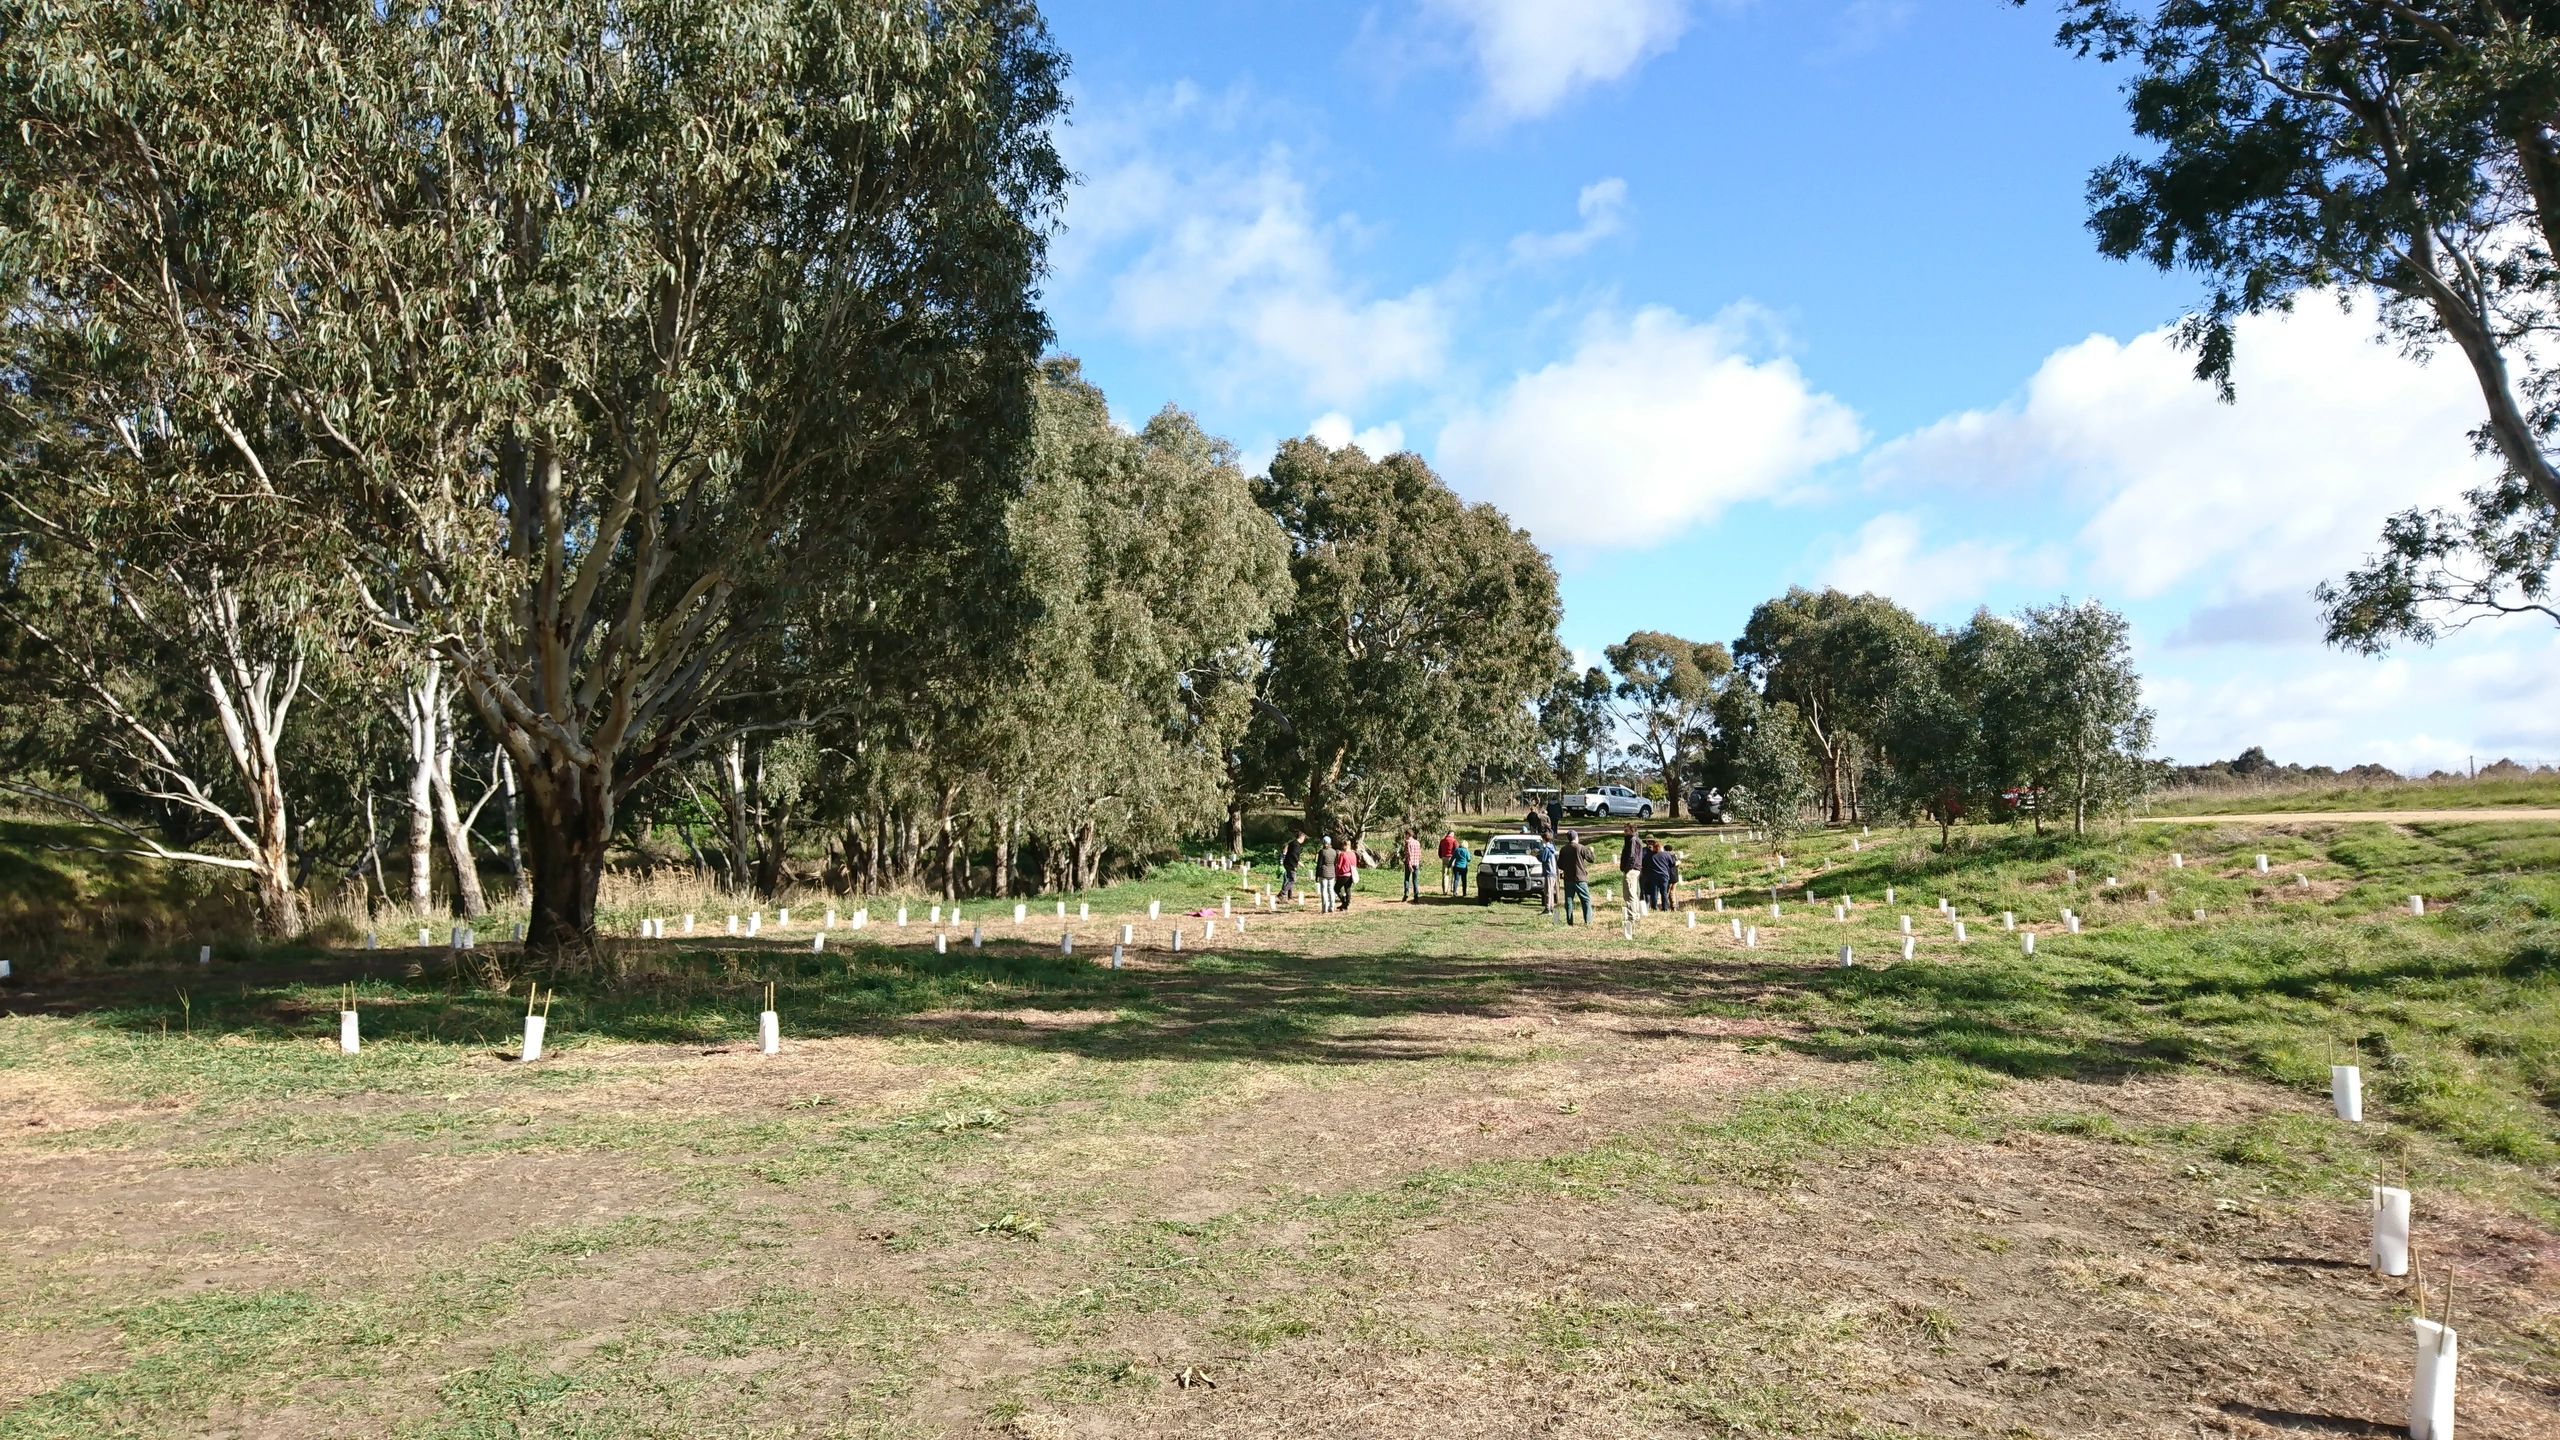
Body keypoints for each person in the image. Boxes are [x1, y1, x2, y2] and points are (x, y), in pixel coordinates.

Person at [1557, 828, 1592, 925]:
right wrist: (1591, 851)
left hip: (1568, 878)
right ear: (1576, 837)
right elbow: (1591, 859)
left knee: (1569, 900)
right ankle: (1587, 921)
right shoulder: (1581, 848)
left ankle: (1569, 921)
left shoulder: (1563, 849)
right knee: (1586, 900)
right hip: (1580, 878)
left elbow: (1559, 865)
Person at [1619, 823, 1643, 920]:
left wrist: (1627, 869)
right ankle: (1635, 915)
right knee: (1632, 893)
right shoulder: (1632, 840)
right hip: (1633, 869)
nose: (1624, 832)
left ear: (1632, 831)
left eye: (1626, 830)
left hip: (1631, 870)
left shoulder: (1632, 840)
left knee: (1629, 894)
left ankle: (1632, 916)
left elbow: (1632, 856)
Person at [1536, 832, 1559, 917]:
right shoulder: (1552, 847)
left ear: (1544, 839)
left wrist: (1536, 855)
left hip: (1548, 872)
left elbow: (1543, 859)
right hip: (1553, 872)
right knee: (1551, 891)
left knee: (1547, 891)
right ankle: (1552, 907)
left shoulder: (1546, 849)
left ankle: (1547, 909)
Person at [1281, 829, 1305, 902]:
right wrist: (1298, 862)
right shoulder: (1296, 845)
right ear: (1301, 837)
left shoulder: (1293, 843)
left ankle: (1290, 896)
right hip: (1291, 864)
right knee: (1292, 880)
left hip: (1288, 863)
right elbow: (1294, 855)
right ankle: (1282, 894)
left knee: (1290, 879)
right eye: (1304, 838)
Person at [1401, 827, 1424, 902]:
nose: (1405, 836)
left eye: (1406, 835)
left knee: (1407, 879)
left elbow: (1409, 854)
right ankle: (1416, 897)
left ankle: (1406, 894)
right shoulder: (1417, 842)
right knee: (1415, 880)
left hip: (1409, 863)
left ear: (1408, 835)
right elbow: (1419, 854)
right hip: (1416, 863)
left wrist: (1409, 864)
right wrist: (1418, 862)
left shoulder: (1408, 843)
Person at [1316, 835, 1337, 913]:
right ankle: (1332, 907)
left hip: (1323, 873)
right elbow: (1335, 863)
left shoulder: (1322, 851)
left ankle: (1324, 908)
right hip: (1332, 873)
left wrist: (1317, 875)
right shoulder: (1334, 851)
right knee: (1331, 890)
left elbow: (1319, 864)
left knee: (1324, 890)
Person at [1334, 840, 1356, 910]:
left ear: (1345, 845)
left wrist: (1336, 874)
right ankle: (1347, 904)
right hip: (1351, 874)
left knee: (1336, 888)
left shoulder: (1343, 854)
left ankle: (1344, 901)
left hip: (1343, 874)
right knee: (1348, 889)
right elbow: (1355, 864)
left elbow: (1339, 865)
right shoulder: (1353, 854)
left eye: (1342, 845)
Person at [1437, 828, 1458, 894]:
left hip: (1444, 858)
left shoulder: (1442, 841)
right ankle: (1452, 888)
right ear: (1451, 834)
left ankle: (1445, 890)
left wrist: (1441, 856)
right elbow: (1456, 850)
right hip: (1452, 858)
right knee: (1454, 874)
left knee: (1445, 874)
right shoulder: (1454, 840)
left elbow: (1439, 850)